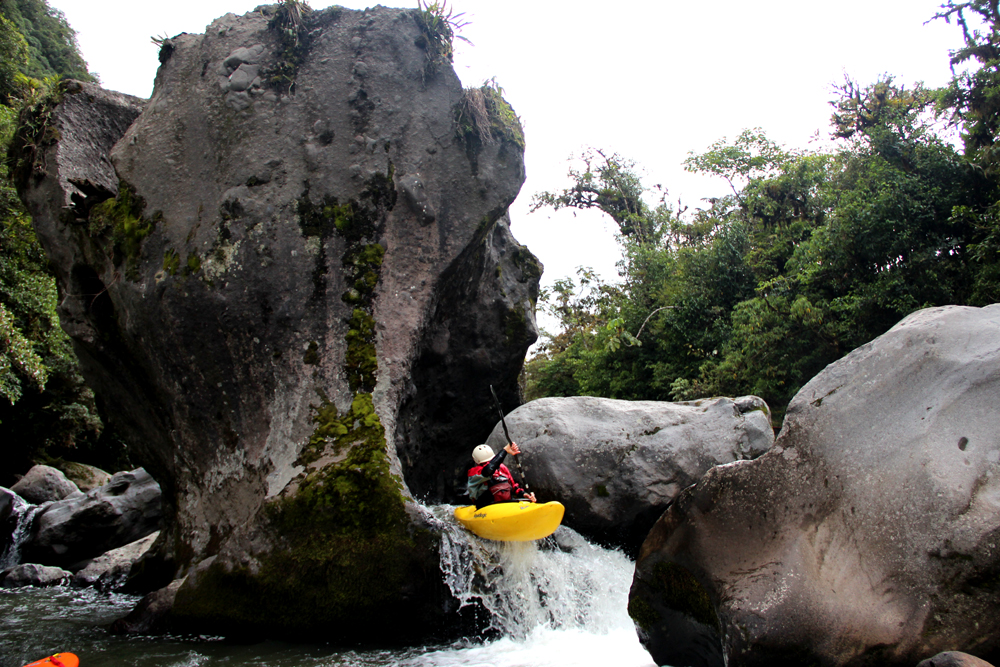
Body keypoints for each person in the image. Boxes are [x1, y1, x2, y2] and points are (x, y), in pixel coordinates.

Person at [467, 442, 537, 509]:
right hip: (486, 506)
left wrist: (524, 494)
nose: (488, 463)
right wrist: (505, 451)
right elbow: (488, 471)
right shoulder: (474, 472)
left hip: (507, 504)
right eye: (485, 462)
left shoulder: (502, 468)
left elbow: (514, 487)